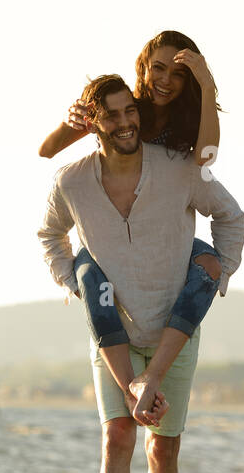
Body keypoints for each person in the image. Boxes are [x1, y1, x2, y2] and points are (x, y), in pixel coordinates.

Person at [37, 74, 244, 473]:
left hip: (175, 328)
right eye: (112, 115)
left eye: (131, 111)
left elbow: (231, 215)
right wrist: (73, 280)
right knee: (117, 439)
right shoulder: (72, 181)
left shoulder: (177, 170)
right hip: (114, 336)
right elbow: (50, 233)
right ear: (93, 121)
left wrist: (220, 271)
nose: (126, 121)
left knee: (164, 450)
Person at [38, 31, 224, 426]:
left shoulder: (191, 114)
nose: (165, 81)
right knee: (89, 272)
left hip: (164, 234)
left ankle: (152, 377)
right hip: (118, 235)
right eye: (158, 68)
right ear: (143, 67)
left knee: (207, 261)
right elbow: (48, 149)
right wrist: (72, 120)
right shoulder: (122, 108)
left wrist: (207, 85)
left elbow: (206, 158)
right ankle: (131, 386)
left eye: (179, 74)